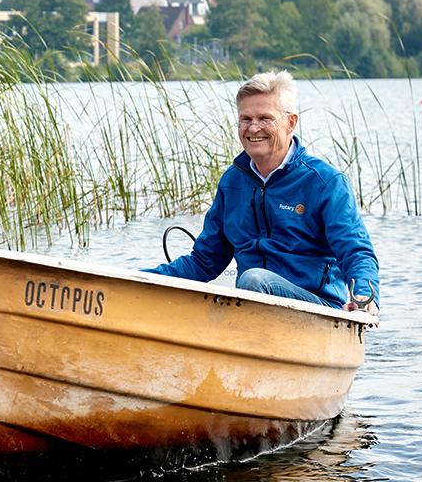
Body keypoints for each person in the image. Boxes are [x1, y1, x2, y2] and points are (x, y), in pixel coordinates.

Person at [146, 70, 380, 315]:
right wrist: (137, 280)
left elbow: (356, 252)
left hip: (319, 310)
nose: (253, 128)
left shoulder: (325, 183)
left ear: (290, 122)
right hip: (252, 304)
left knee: (254, 279)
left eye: (265, 118)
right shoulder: (232, 182)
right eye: (245, 119)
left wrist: (363, 297)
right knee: (243, 285)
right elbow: (204, 262)